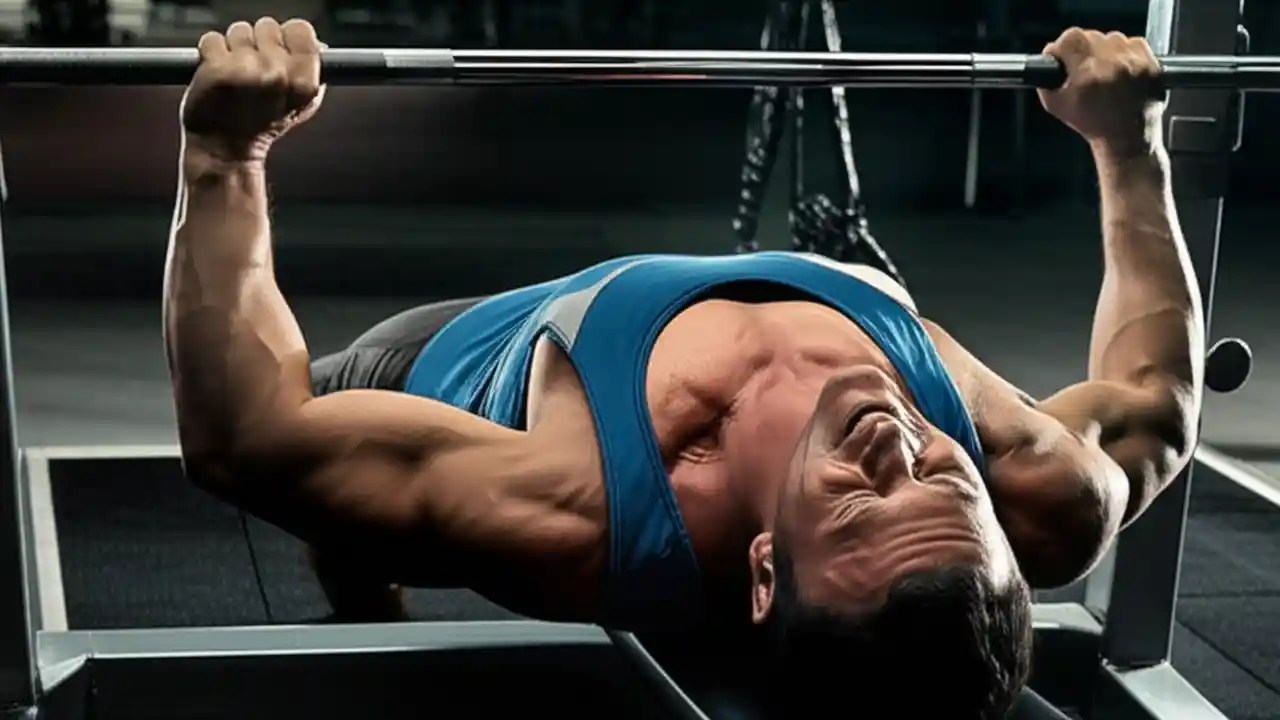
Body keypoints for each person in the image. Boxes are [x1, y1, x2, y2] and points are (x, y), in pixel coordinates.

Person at [164, 18, 1202, 720]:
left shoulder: (581, 509)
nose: (895, 443)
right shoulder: (1035, 489)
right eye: (940, 478)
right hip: (615, 326)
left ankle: (361, 600)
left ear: (760, 566)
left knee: (344, 511)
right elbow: (1156, 401)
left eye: (857, 502)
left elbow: (245, 435)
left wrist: (226, 155)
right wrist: (1132, 146)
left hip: (453, 350)